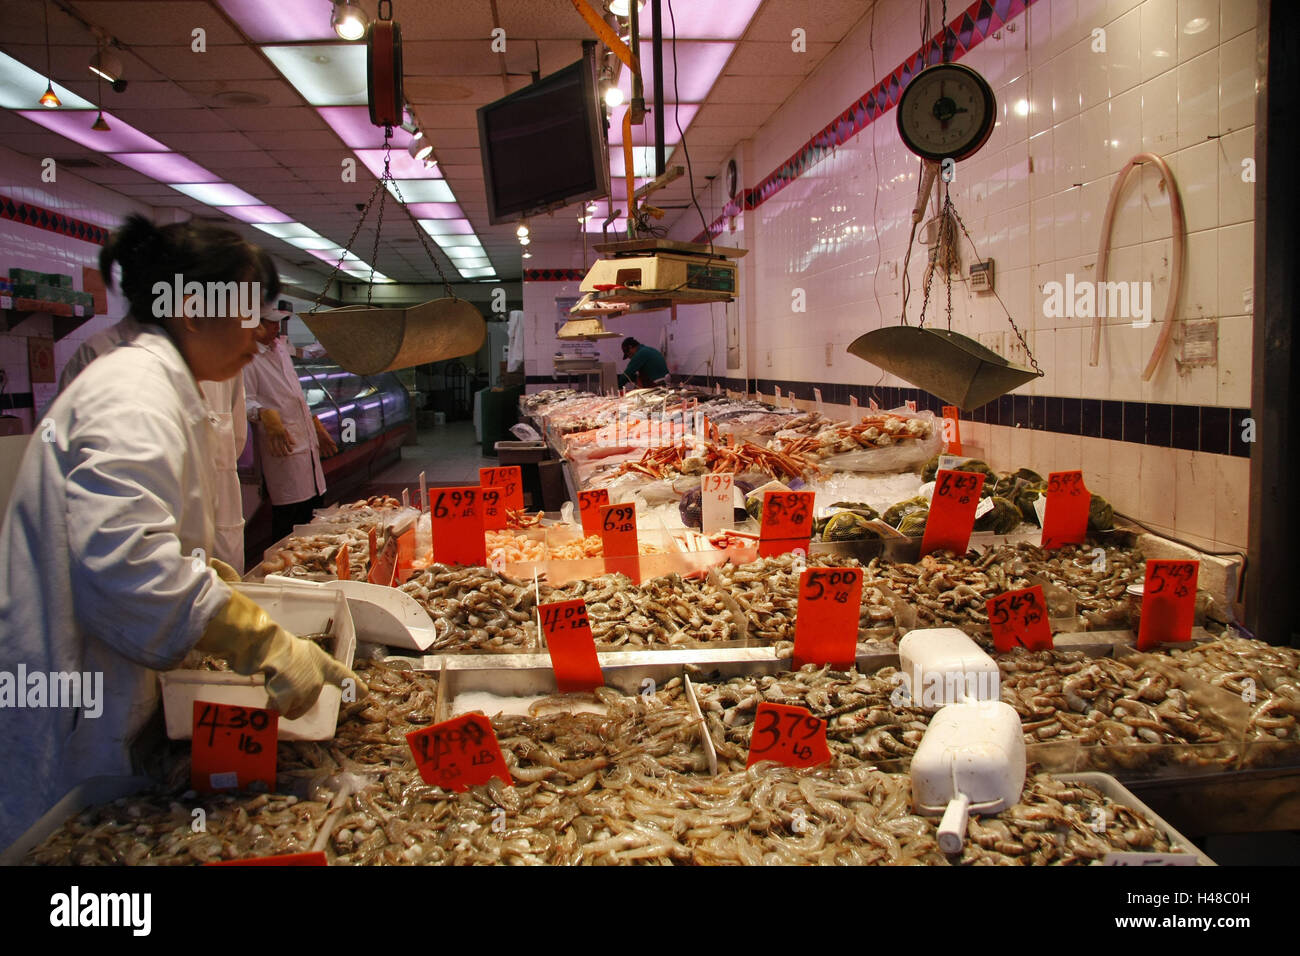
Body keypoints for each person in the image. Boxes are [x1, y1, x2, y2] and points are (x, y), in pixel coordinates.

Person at [0, 215, 360, 848]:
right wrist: (260, 641)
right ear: (192, 308)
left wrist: (211, 578)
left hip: (111, 681)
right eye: (249, 309)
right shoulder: (132, 393)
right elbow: (127, 561)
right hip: (73, 704)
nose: (262, 330)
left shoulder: (165, 382)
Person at [54, 250, 282, 573]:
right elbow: (117, 525)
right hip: (126, 578)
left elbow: (234, 440)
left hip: (208, 539)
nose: (253, 340)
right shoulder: (104, 358)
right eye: (240, 318)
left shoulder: (223, 364)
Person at [243, 312, 339, 543]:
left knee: (315, 516)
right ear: (254, 323)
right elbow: (243, 401)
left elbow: (296, 395)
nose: (277, 327)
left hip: (308, 448)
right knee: (289, 526)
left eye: (279, 322)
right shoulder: (248, 357)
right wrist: (263, 413)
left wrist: (314, 423)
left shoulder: (281, 349)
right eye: (271, 322)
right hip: (284, 450)